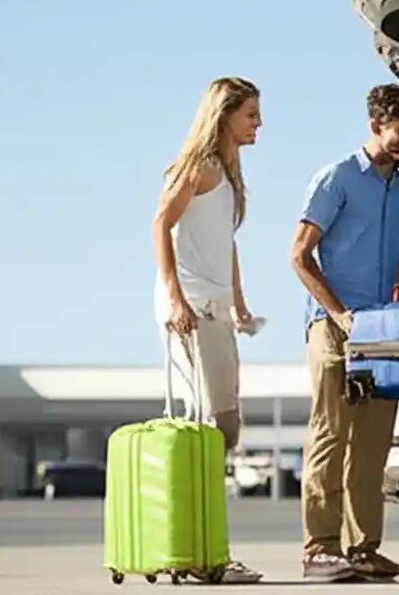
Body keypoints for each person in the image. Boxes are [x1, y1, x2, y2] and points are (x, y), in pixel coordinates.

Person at [290, 81, 399, 583]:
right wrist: (338, 313)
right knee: (331, 435)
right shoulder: (336, 180)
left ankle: (363, 551)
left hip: (382, 333)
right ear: (376, 125)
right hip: (332, 327)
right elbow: (299, 256)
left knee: (373, 447)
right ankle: (319, 550)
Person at [152, 76, 265, 584]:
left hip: (216, 307)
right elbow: (159, 224)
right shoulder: (197, 167)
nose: (259, 124)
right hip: (191, 308)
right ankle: (203, 554)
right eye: (251, 115)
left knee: (226, 430)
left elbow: (226, 243)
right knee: (206, 431)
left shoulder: (226, 173)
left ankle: (202, 548)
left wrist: (240, 305)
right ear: (223, 117)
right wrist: (176, 298)